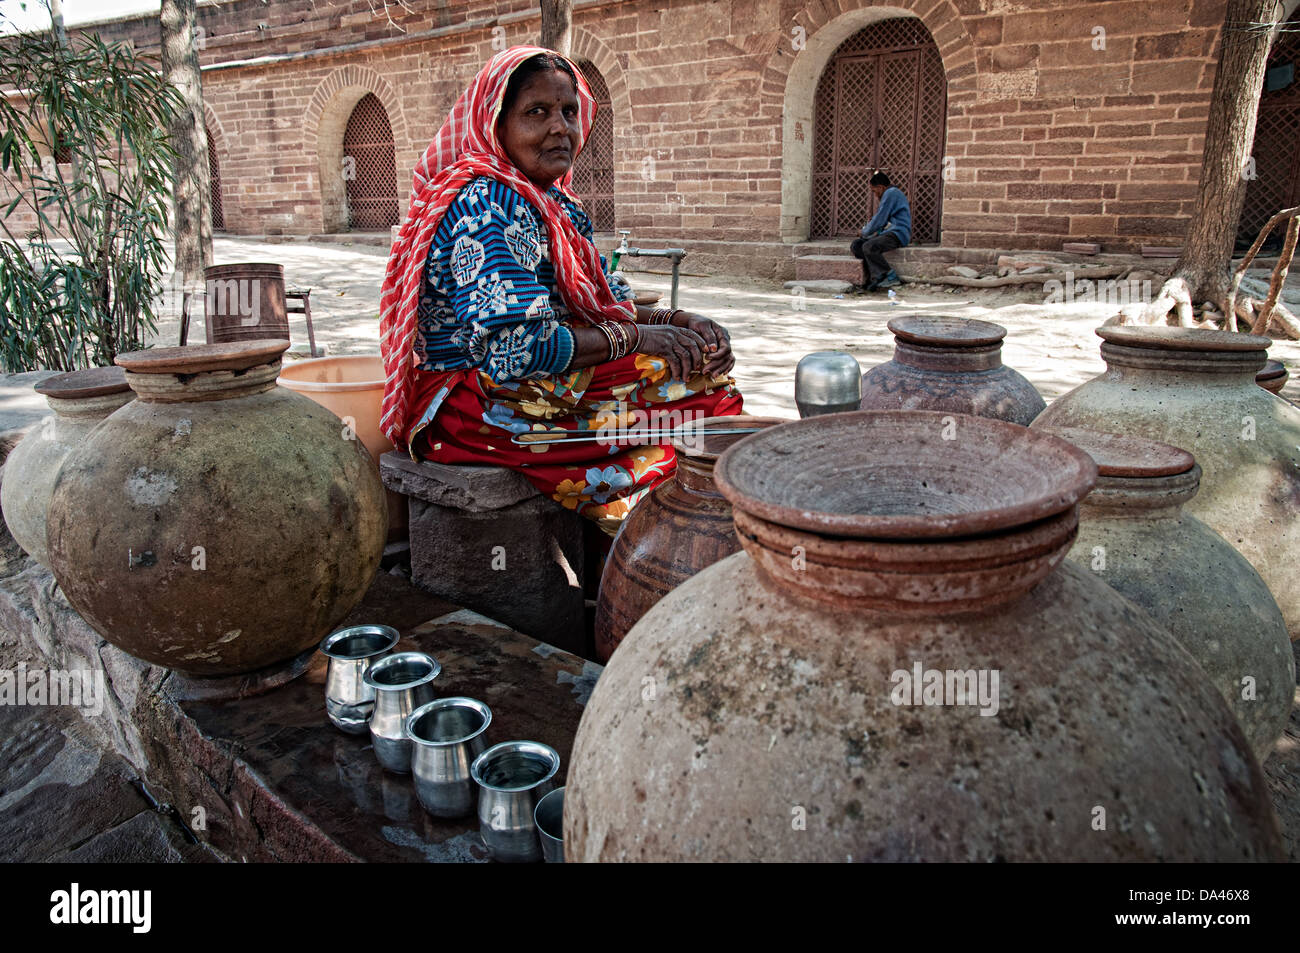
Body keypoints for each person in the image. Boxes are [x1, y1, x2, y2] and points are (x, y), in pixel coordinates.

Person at [378, 46, 743, 537]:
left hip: (530, 386)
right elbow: (516, 352)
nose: (560, 128)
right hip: (473, 406)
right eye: (536, 113)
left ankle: (649, 518)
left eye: (569, 112)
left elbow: (608, 304)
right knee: (695, 393)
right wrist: (637, 341)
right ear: (496, 124)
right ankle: (650, 523)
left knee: (697, 371)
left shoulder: (556, 203)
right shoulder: (486, 203)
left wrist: (679, 322)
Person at [850, 172, 911, 291]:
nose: (875, 195)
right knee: (857, 246)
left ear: (881, 187)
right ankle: (876, 276)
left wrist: (864, 232)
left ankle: (890, 275)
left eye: (874, 191)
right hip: (888, 232)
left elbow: (880, 219)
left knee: (869, 246)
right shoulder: (889, 194)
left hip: (898, 233)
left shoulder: (891, 193)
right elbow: (881, 221)